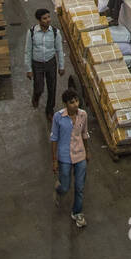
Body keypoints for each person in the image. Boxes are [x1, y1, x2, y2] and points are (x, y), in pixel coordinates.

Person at [50, 89, 90, 228]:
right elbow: (54, 139)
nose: (75, 104)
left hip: (80, 154)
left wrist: (87, 152)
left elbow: (84, 134)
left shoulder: (83, 115)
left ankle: (77, 213)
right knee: (65, 186)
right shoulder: (58, 117)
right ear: (65, 103)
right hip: (65, 156)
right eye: (71, 102)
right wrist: (54, 160)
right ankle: (58, 188)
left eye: (77, 101)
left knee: (79, 187)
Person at [26, 8, 66, 121]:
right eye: (44, 18)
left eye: (48, 17)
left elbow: (59, 49)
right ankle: (36, 96)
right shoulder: (32, 32)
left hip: (51, 63)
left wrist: (61, 66)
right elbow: (28, 51)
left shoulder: (55, 32)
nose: (48, 20)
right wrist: (29, 69)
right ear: (39, 20)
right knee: (39, 87)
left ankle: (49, 110)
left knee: (52, 87)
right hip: (37, 64)